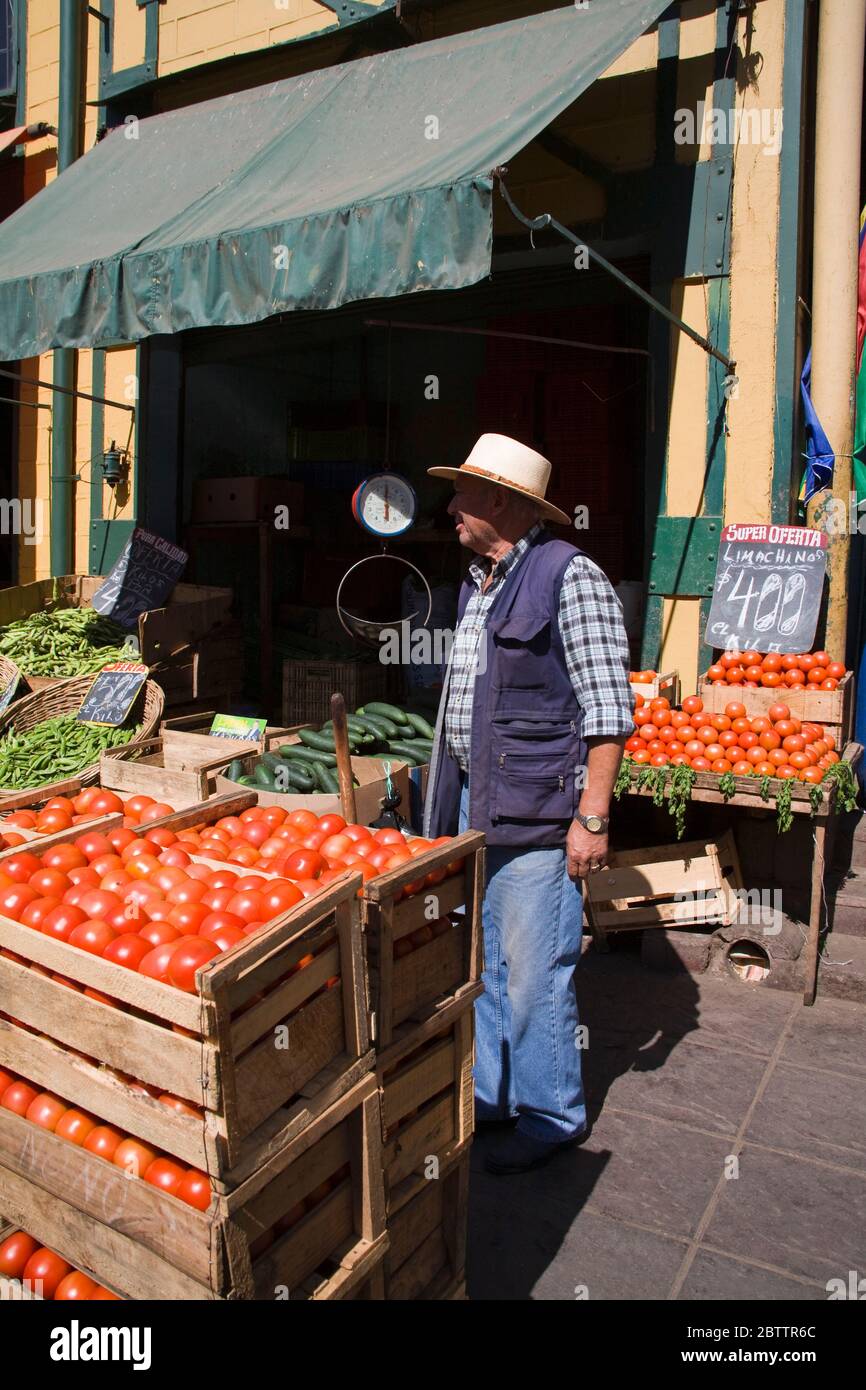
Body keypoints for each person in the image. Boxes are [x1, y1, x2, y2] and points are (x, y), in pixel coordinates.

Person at [424, 433, 633, 1175]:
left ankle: (551, 1118)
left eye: (463, 493)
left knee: (536, 971)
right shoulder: (478, 581)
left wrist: (592, 817)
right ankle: (493, 1099)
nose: (449, 507)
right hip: (475, 803)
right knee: (485, 964)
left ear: (501, 503)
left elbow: (609, 710)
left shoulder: (568, 577)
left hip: (538, 813)